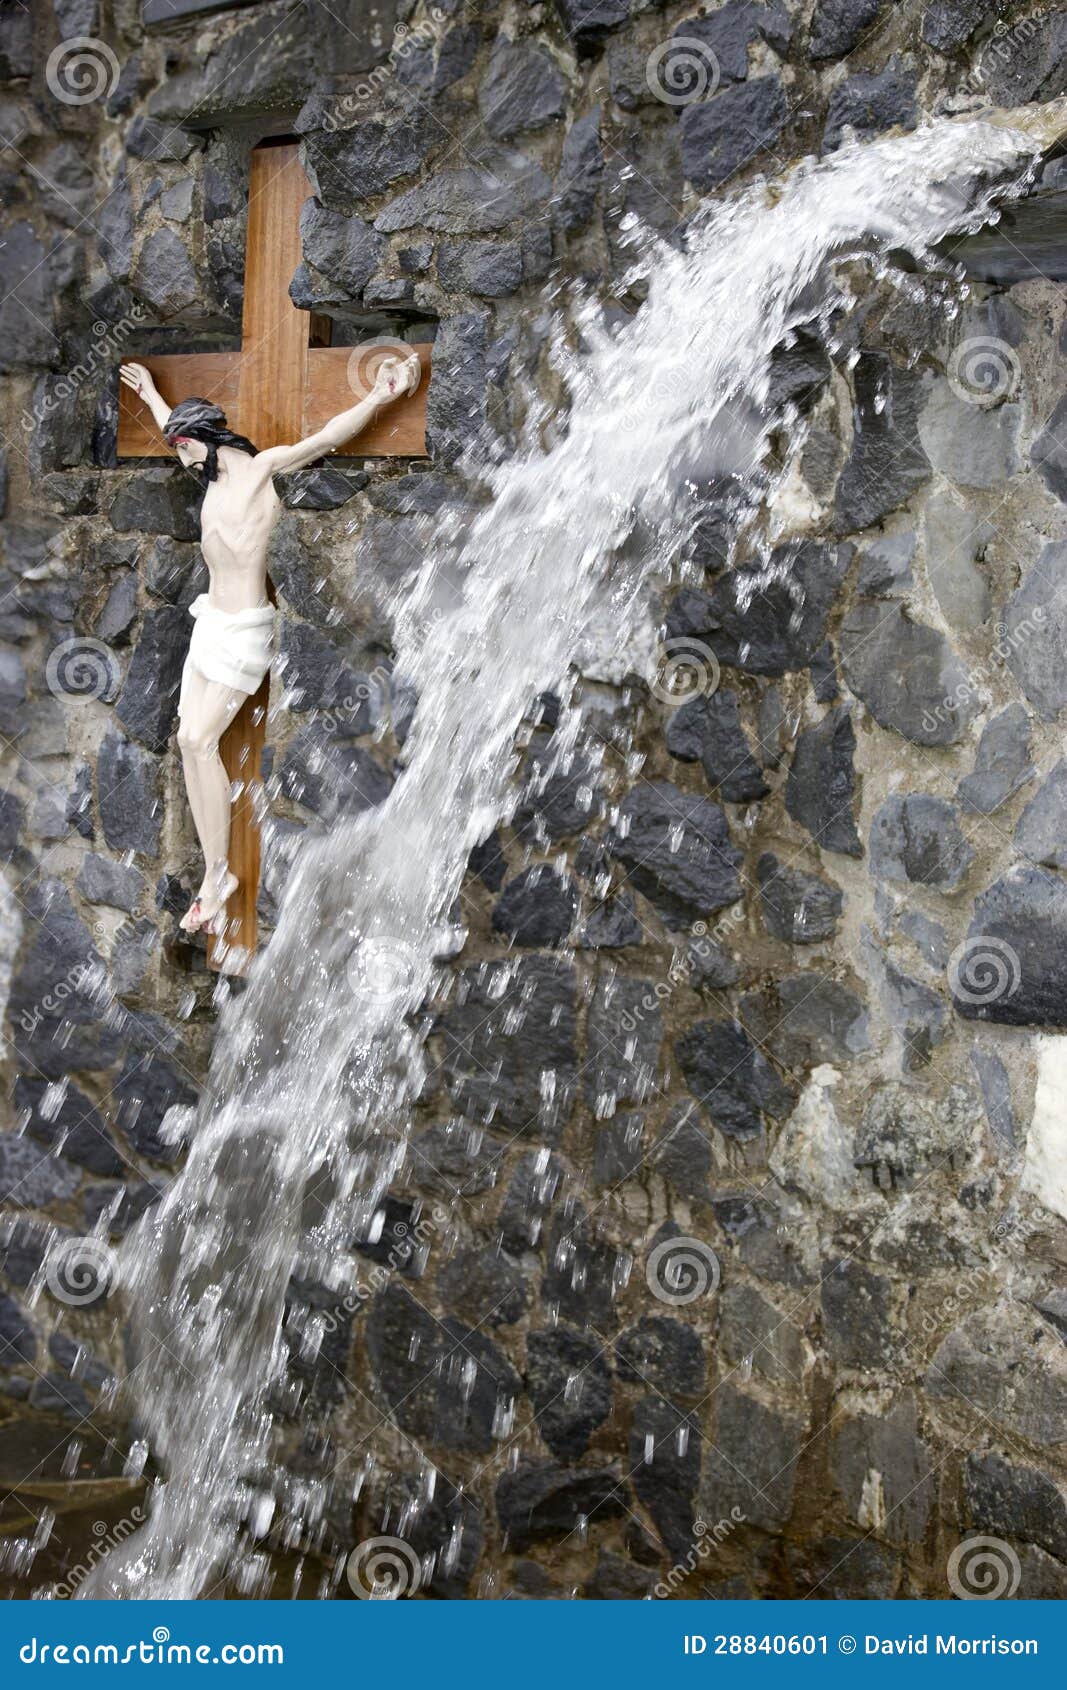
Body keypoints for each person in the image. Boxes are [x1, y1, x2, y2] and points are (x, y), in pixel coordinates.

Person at [118, 352, 420, 936]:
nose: (179, 454)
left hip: (245, 632)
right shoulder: (205, 475)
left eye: (185, 445)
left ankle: (217, 874)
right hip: (209, 622)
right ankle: (216, 873)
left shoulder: (260, 471)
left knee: (201, 739)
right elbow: (170, 427)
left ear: (208, 438)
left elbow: (326, 437)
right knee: (188, 739)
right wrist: (153, 394)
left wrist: (381, 396)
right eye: (177, 446)